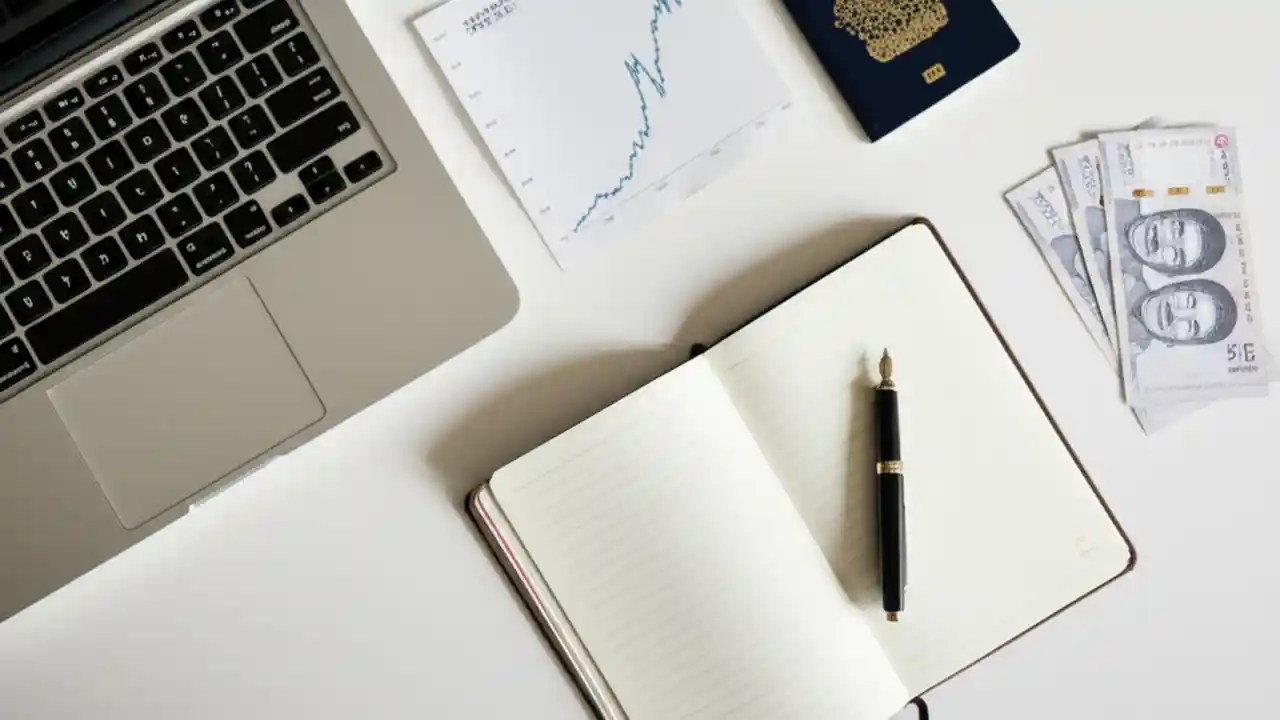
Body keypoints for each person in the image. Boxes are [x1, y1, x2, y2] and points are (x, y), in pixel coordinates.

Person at [1113, 201, 1227, 276]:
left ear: (1168, 272)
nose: (1161, 241)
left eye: (1176, 255)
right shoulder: (1119, 203)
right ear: (1167, 214)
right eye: (1176, 229)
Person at [1126, 277, 1238, 351]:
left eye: (1192, 327)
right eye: (1189, 302)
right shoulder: (1126, 273)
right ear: (1175, 287)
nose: (1177, 315)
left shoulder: (1134, 353)